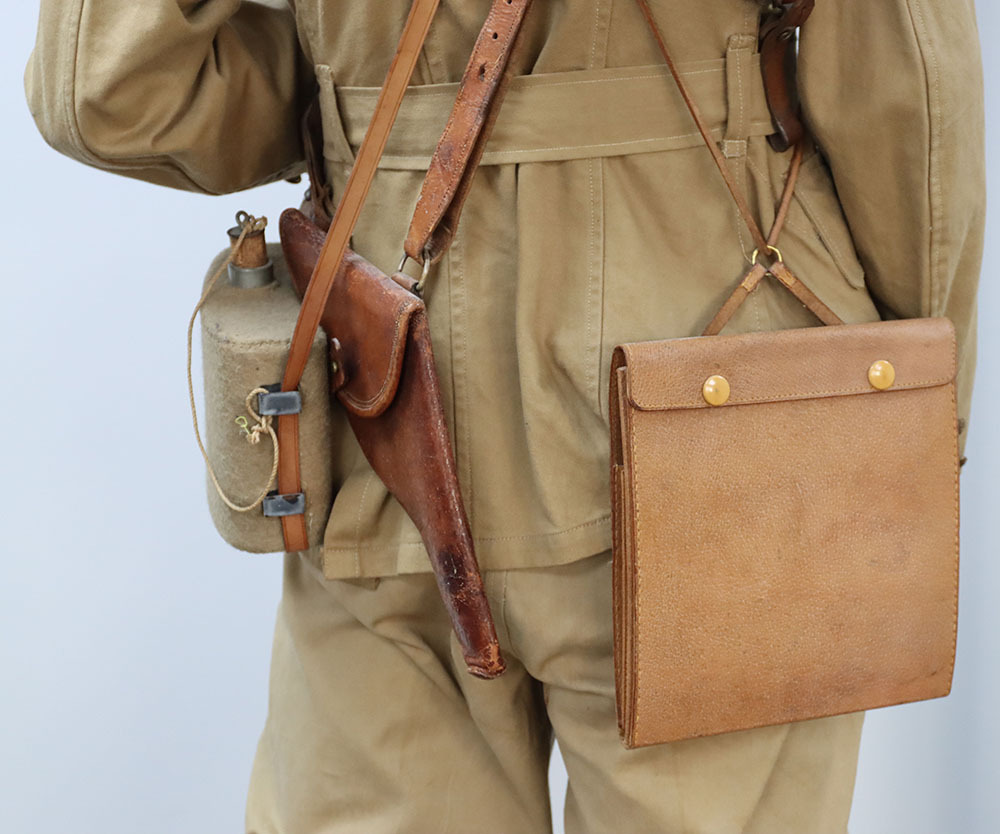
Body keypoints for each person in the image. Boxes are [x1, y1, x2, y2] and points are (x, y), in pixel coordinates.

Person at [25, 0, 985, 831]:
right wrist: (910, 418)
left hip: (390, 418)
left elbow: (109, 92)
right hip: (719, 406)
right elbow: (907, 89)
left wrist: (371, 102)